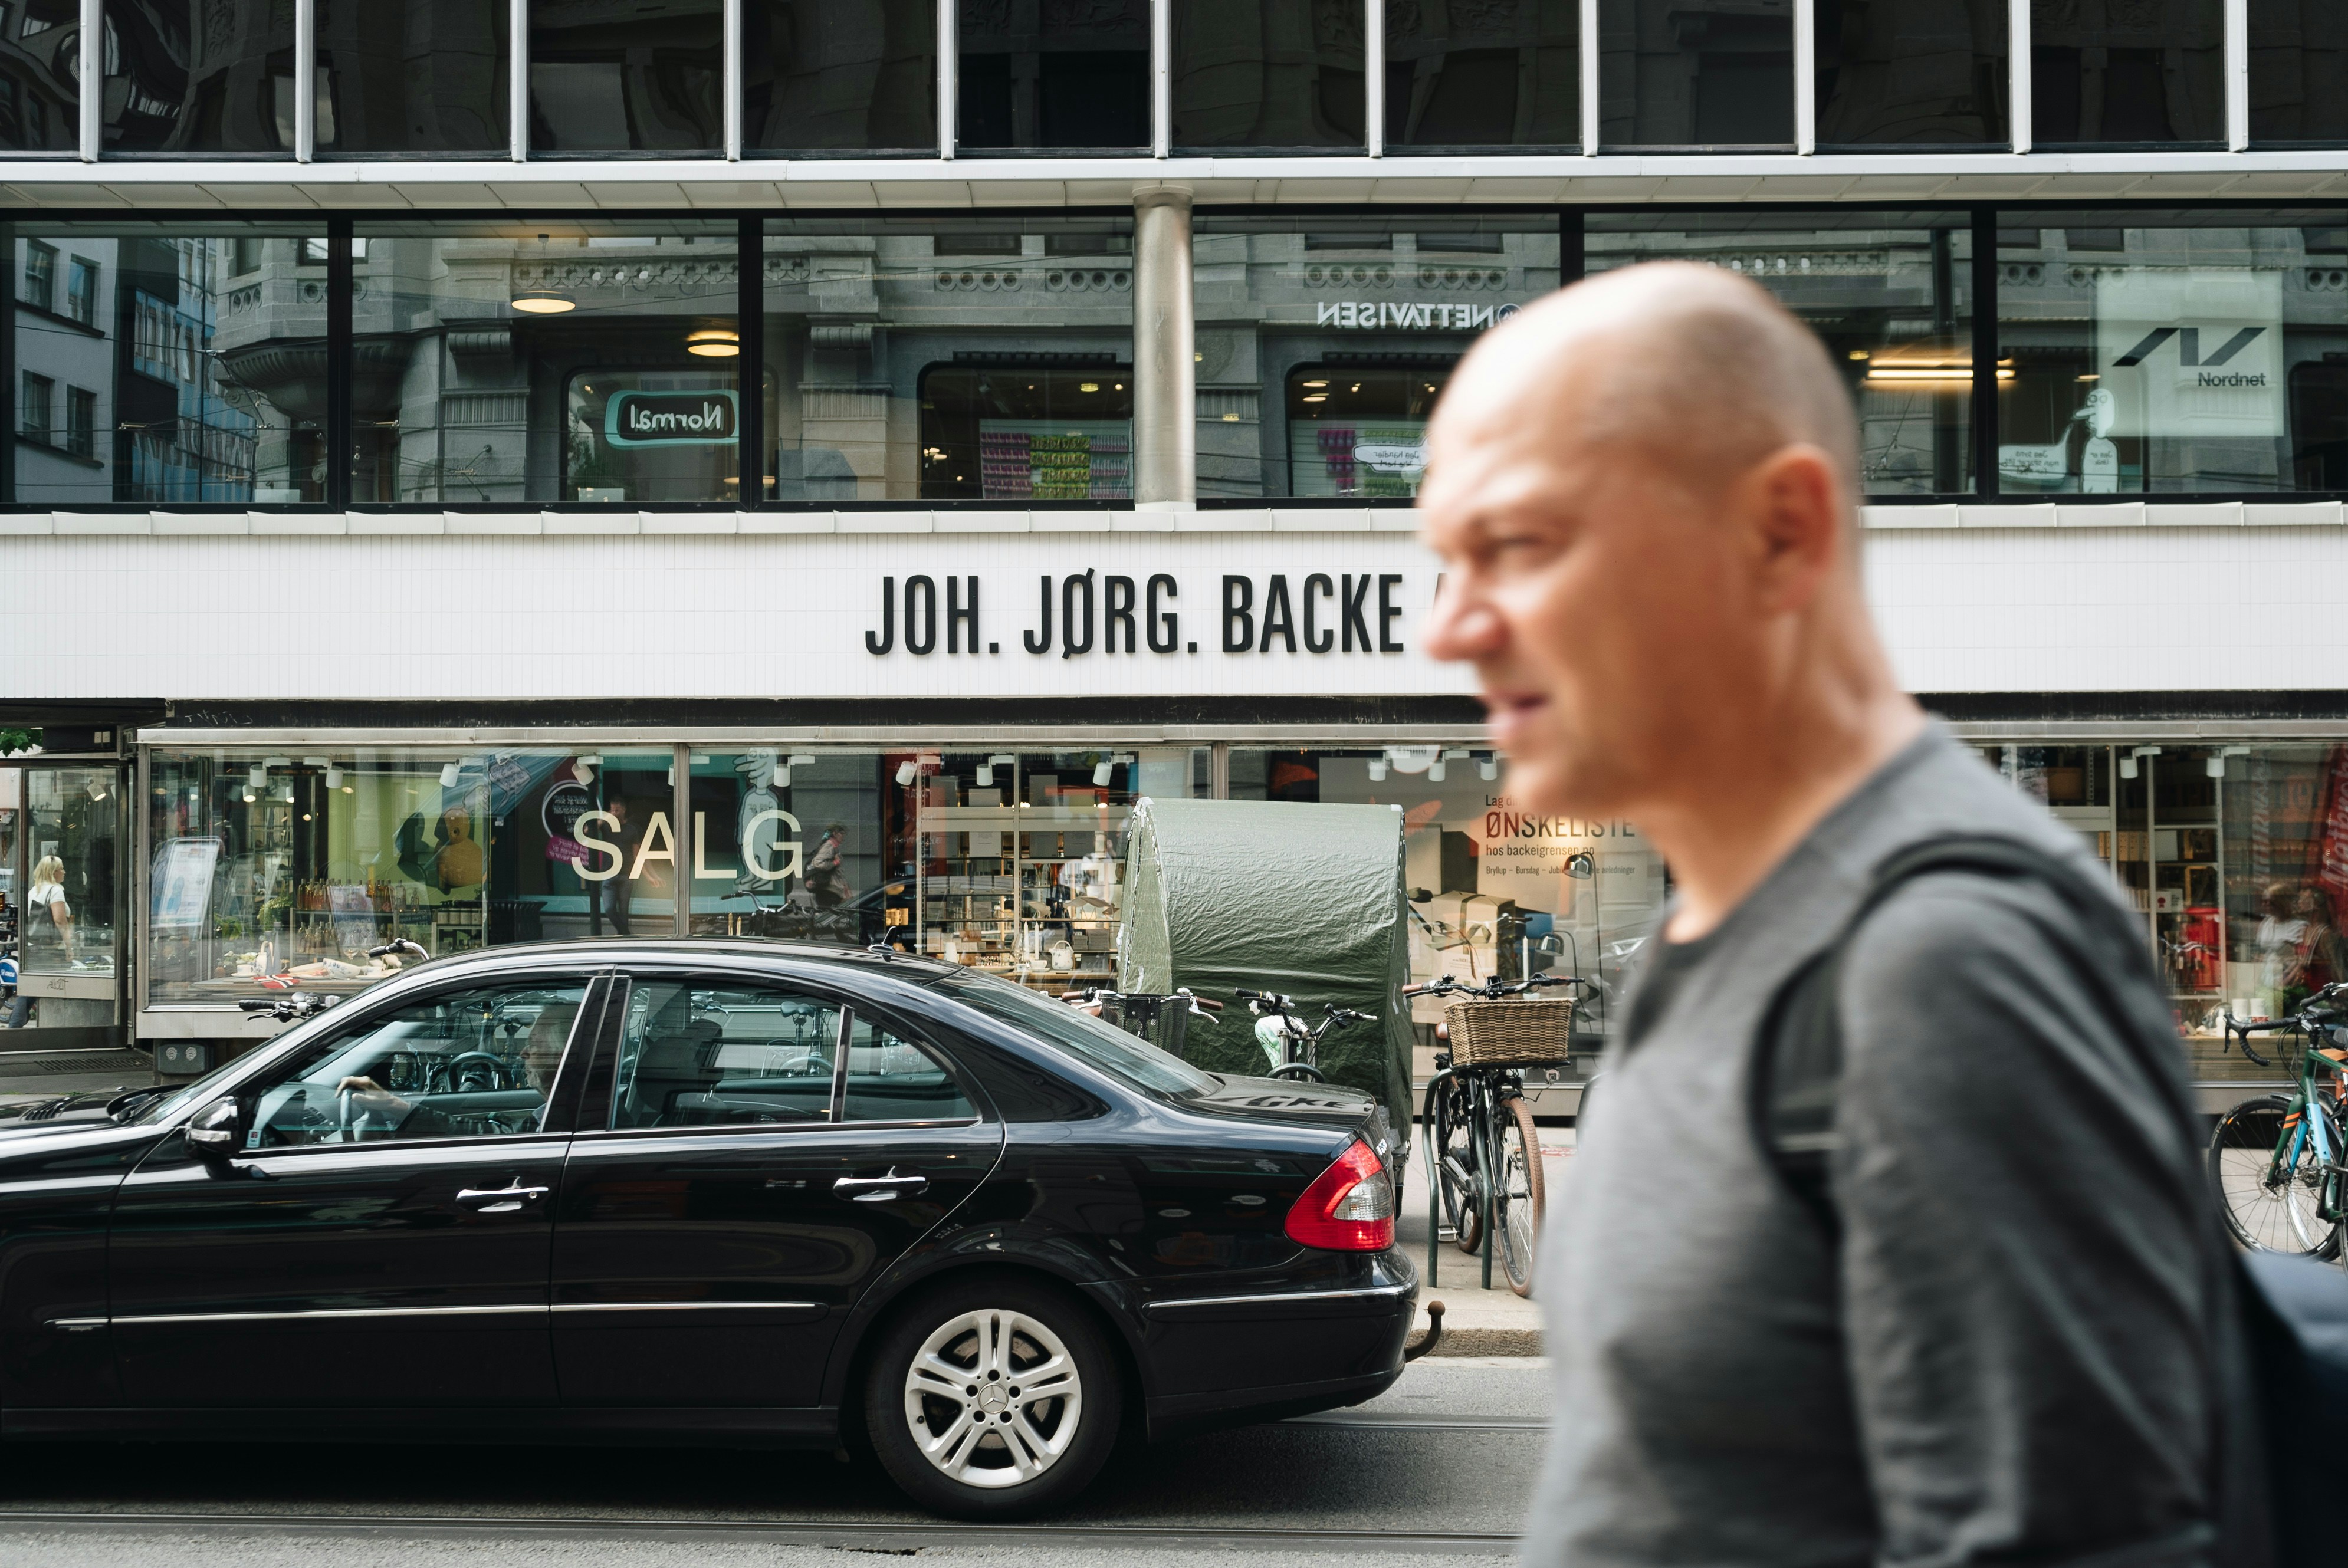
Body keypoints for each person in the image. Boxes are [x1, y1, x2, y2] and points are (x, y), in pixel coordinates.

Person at [1416, 262, 2258, 1568]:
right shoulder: (1728, 932)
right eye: (1443, 559)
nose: (1450, 629)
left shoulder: (1941, 964)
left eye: (1516, 545)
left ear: (1780, 533)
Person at [25, 854, 71, 968]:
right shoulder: (55, 891)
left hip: (35, 947)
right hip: (53, 949)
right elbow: (60, 921)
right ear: (54, 872)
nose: (64, 872)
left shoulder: (33, 891)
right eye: (62, 868)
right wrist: (70, 947)